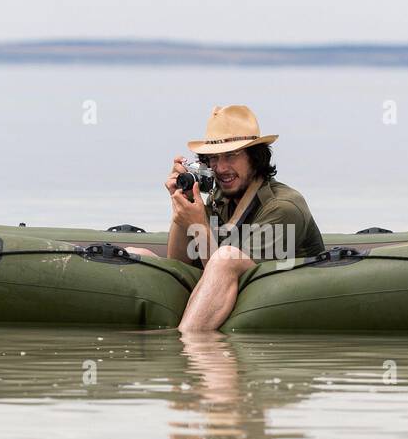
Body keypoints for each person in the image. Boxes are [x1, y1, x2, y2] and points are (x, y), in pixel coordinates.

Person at [128, 105, 323, 331]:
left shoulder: (282, 207)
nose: (220, 168)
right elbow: (180, 266)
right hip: (225, 294)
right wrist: (182, 202)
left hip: (282, 303)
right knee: (136, 254)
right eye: (213, 158)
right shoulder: (221, 198)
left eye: (231, 155)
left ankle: (185, 346)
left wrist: (199, 226)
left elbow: (228, 272)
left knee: (227, 256)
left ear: (255, 157)